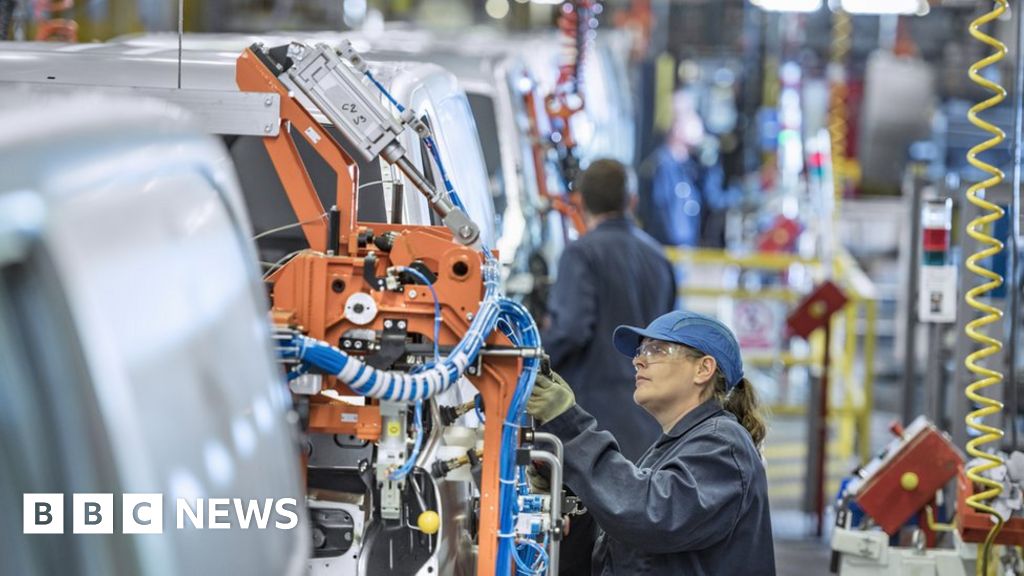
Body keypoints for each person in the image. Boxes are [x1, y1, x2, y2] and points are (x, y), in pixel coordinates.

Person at [528, 310, 776, 576]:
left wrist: (569, 427)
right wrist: (567, 484)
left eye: (657, 349)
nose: (638, 361)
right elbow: (615, 556)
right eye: (639, 352)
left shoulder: (724, 444)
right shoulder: (670, 451)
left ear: (704, 369)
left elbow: (651, 515)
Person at [542, 158, 674, 462]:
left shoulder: (581, 254)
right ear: (632, 201)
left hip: (591, 419)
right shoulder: (659, 258)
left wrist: (529, 362)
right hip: (651, 418)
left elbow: (571, 330)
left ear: (581, 202)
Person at [638, 90, 737, 249]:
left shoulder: (689, 165)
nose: (698, 123)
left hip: (685, 248)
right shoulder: (664, 167)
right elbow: (665, 217)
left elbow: (713, 198)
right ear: (676, 126)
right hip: (673, 251)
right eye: (690, 116)